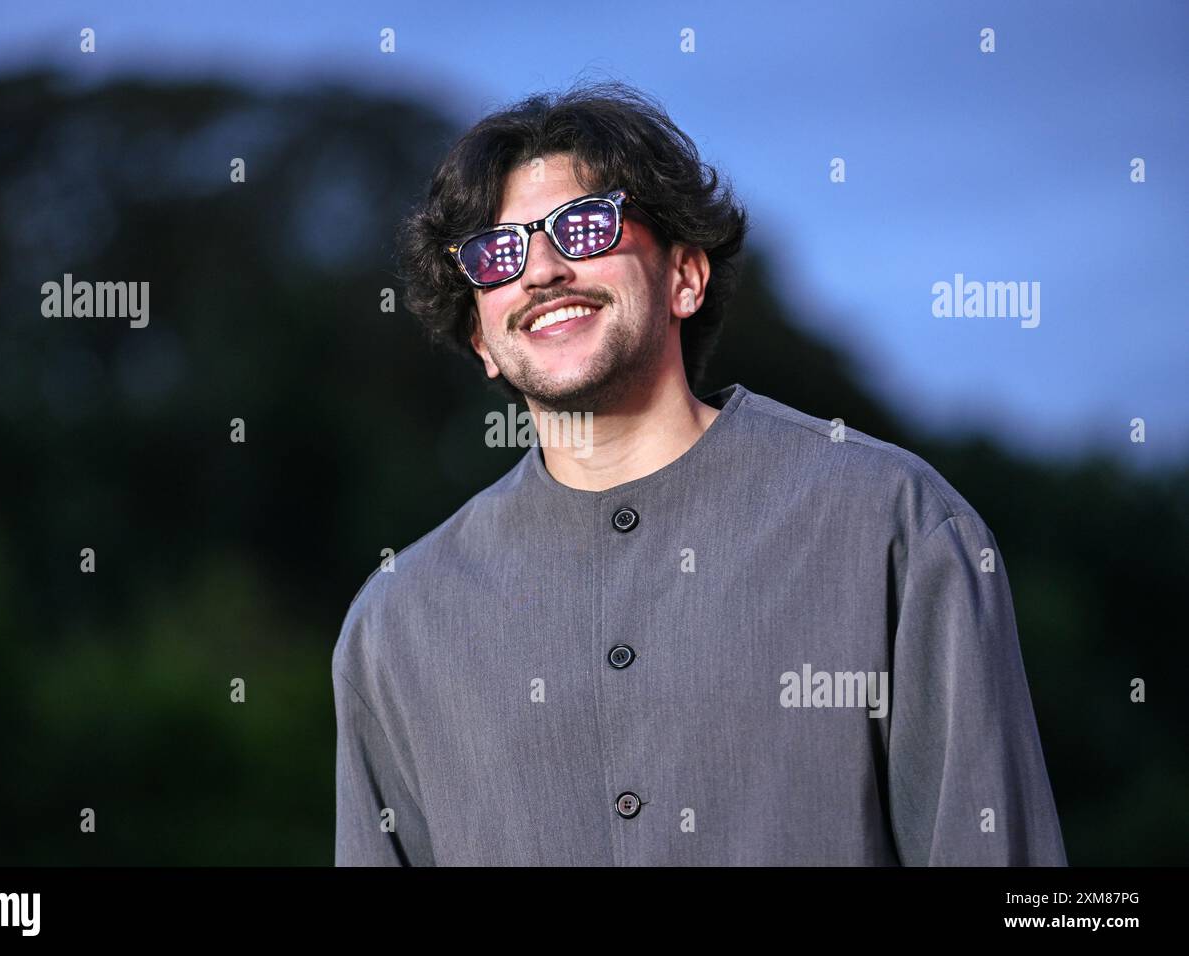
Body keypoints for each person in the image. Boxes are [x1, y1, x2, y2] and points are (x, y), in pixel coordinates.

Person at [331, 81, 1067, 866]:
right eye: (498, 253)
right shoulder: (395, 625)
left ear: (686, 275)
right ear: (480, 336)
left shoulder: (894, 524)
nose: (540, 269)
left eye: (584, 226)